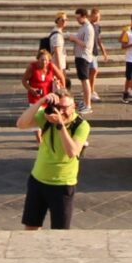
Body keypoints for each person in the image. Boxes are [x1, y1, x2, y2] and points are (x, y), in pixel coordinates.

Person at [15, 90, 89, 230]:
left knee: (60, 232)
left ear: (74, 107)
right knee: (31, 227)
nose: (60, 111)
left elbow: (72, 152)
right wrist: (40, 102)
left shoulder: (81, 125)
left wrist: (60, 125)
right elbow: (21, 124)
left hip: (63, 184)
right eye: (57, 107)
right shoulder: (46, 117)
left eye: (64, 108)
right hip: (38, 180)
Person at [72, 8, 99, 108]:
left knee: (85, 80)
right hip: (80, 56)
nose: (77, 20)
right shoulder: (83, 27)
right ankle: (85, 101)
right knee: (83, 80)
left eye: (78, 18)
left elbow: (87, 44)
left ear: (84, 16)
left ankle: (88, 105)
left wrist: (74, 39)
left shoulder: (88, 28)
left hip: (84, 57)